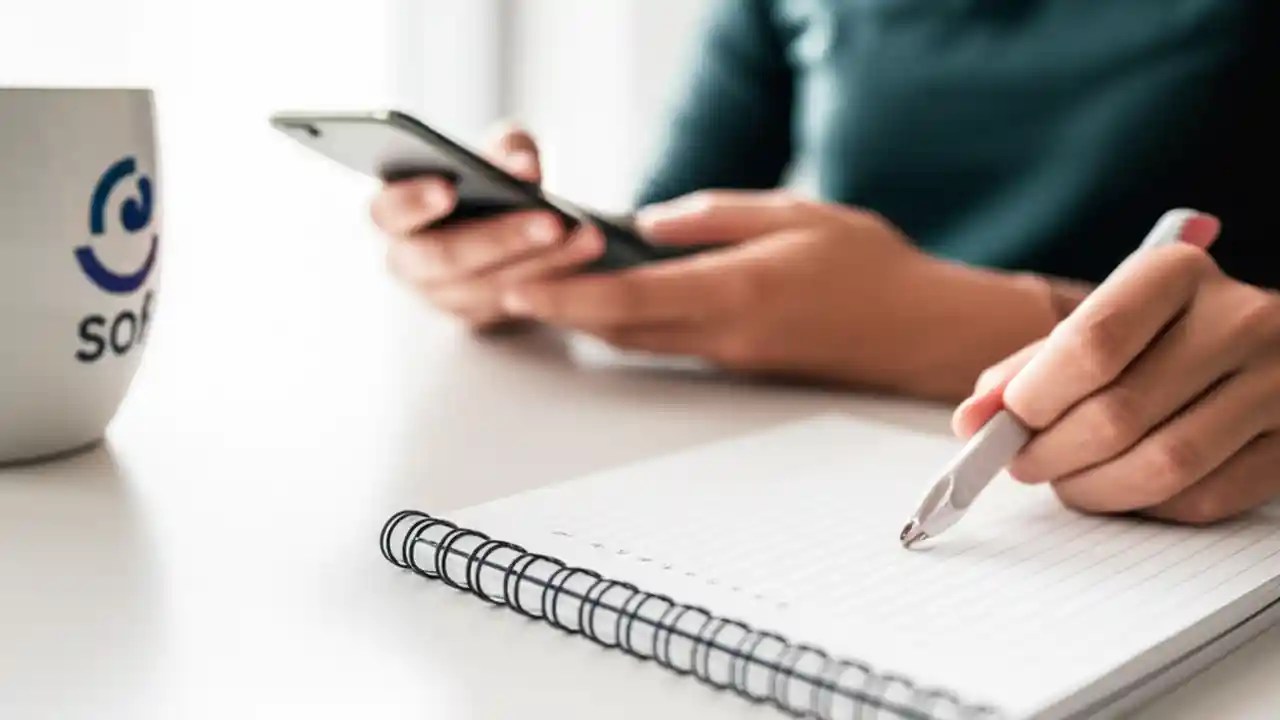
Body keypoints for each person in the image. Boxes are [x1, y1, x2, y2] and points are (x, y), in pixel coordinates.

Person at [369, 1, 1279, 525]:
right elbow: (675, 221)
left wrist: (955, 326)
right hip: (793, 458)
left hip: (1188, 492)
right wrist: (529, 255)